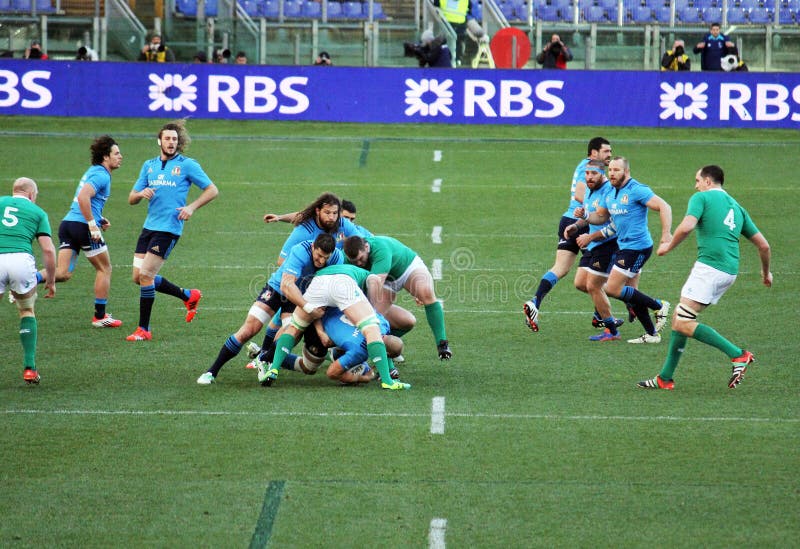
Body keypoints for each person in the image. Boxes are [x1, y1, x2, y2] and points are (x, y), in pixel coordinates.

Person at [638, 165, 771, 390]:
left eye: (697, 180)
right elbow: (764, 245)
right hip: (729, 271)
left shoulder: (702, 198)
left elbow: (688, 226)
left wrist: (668, 246)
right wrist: (766, 272)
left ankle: (738, 354)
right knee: (680, 318)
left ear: (708, 182)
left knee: (682, 321)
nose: (696, 185)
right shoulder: (738, 208)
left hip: (709, 268)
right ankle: (665, 378)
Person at [197, 234, 341, 385]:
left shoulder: (336, 257)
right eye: (319, 256)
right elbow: (287, 286)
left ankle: (264, 359)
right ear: (313, 247)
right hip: (278, 289)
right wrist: (307, 307)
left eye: (326, 257)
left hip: (301, 296)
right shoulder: (300, 250)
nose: (322, 261)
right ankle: (211, 372)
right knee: (249, 329)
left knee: (291, 333)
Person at [126, 119, 219, 341]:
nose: (171, 142)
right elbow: (131, 198)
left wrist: (191, 207)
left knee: (147, 276)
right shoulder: (149, 165)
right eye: (167, 138)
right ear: (159, 141)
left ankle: (143, 330)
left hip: (168, 229)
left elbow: (212, 189)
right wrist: (141, 193)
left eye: (174, 139)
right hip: (149, 227)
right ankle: (188, 295)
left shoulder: (187, 165)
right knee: (138, 277)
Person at [260, 263, 412, 391]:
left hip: (319, 283)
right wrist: (363, 377)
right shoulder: (359, 351)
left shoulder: (383, 322)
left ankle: (273, 367)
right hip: (340, 289)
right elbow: (332, 373)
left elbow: (383, 339)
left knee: (294, 328)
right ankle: (387, 382)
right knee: (310, 365)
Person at [573, 156, 672, 344]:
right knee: (630, 292)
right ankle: (652, 334)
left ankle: (659, 305)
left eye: (616, 170)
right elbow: (601, 217)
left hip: (639, 247)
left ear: (626, 172)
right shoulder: (610, 192)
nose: (612, 173)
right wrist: (585, 215)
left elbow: (664, 206)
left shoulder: (637, 190)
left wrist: (666, 234)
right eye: (610, 170)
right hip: (624, 246)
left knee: (612, 288)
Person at [523, 137, 612, 332]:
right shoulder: (588, 169)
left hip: (569, 218)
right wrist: (602, 204)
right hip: (582, 222)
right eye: (606, 151)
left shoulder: (586, 167)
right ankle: (604, 315)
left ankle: (535, 302)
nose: (609, 155)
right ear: (594, 153)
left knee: (561, 268)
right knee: (603, 272)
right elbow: (581, 194)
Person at [46, 135, 124, 328]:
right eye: (116, 153)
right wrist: (92, 223)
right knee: (105, 268)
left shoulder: (93, 171)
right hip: (82, 226)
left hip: (68, 224)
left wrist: (98, 219)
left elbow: (89, 201)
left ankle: (25, 279)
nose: (121, 156)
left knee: (62, 273)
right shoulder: (101, 175)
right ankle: (100, 316)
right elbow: (83, 197)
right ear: (106, 157)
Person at [343, 234, 451, 360]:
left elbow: (374, 287)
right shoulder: (346, 258)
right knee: (391, 321)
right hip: (386, 281)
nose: (359, 264)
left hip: (406, 268)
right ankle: (385, 355)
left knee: (425, 292)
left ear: (366, 247)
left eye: (361, 259)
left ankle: (442, 344)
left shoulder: (380, 249)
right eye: (354, 262)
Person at [0, 177, 56, 384]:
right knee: (26, 310)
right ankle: (29, 368)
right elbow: (48, 250)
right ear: (32, 195)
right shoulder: (38, 212)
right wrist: (50, 281)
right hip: (21, 262)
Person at [565, 160, 624, 341]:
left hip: (607, 242)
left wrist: (588, 232)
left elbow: (599, 217)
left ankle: (611, 330)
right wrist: (576, 225)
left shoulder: (607, 191)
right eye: (587, 173)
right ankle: (627, 301)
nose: (589, 177)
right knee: (581, 283)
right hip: (593, 244)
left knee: (593, 285)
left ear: (602, 174)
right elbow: (588, 216)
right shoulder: (590, 190)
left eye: (594, 174)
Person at [433, 0, 470, 65]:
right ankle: (457, 59)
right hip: (460, 25)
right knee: (459, 42)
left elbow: (435, 5)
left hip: (446, 24)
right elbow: (470, 8)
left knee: (444, 42)